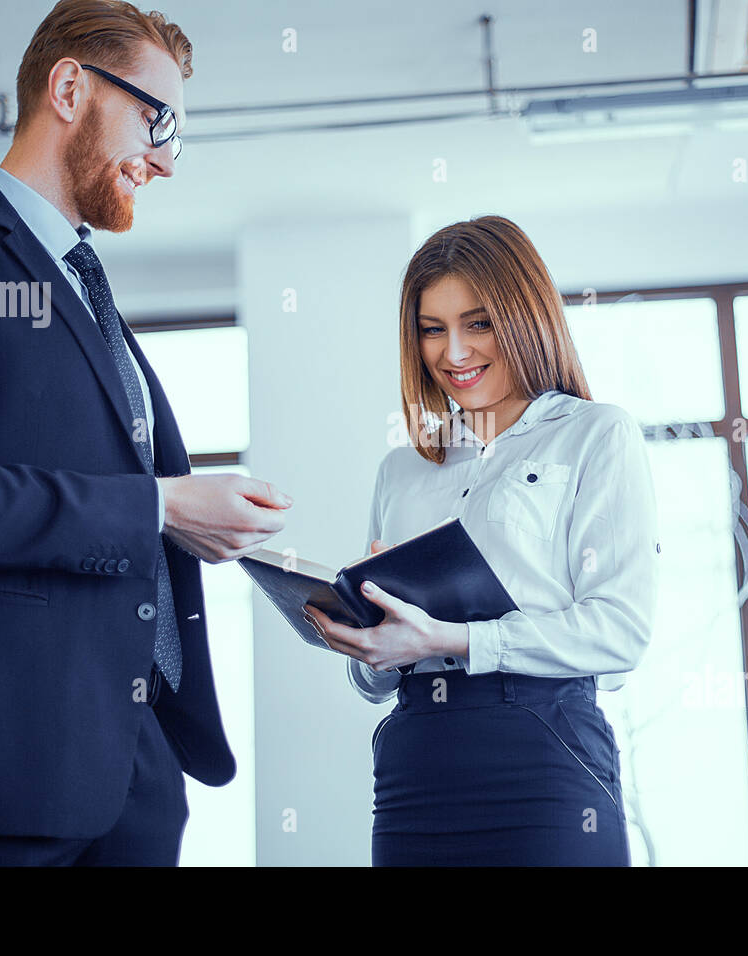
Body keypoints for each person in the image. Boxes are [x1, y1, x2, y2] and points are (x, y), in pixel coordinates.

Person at [0, 0, 290, 866]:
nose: (163, 158)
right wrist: (156, 505)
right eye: (157, 121)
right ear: (71, 88)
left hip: (135, 771)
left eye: (175, 138)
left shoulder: (86, 289)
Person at [303, 215, 661, 866]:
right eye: (432, 329)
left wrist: (452, 639)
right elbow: (375, 681)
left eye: (477, 323)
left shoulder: (596, 436)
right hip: (416, 763)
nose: (454, 353)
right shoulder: (402, 470)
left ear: (525, 318)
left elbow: (620, 634)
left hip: (545, 752)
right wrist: (364, 640)